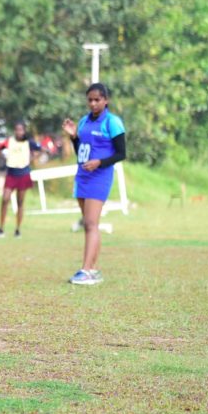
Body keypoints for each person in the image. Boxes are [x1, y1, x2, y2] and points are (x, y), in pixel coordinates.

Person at [63, 83, 126, 285]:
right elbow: (81, 150)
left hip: (100, 177)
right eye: (90, 100)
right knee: (90, 225)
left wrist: (100, 162)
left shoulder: (112, 122)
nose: (93, 103)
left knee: (91, 223)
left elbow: (121, 153)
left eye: (97, 100)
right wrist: (73, 137)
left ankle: (86, 270)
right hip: (83, 176)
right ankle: (93, 269)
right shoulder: (83, 121)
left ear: (105, 100)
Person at [0, 122, 42, 238]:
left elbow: (40, 149)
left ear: (24, 131)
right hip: (11, 173)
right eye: (17, 130)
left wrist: (32, 158)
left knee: (20, 202)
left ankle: (18, 229)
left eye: (21, 130)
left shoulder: (28, 142)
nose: (19, 132)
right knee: (5, 199)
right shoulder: (9, 141)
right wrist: (3, 156)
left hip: (23, 173)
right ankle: (1, 228)